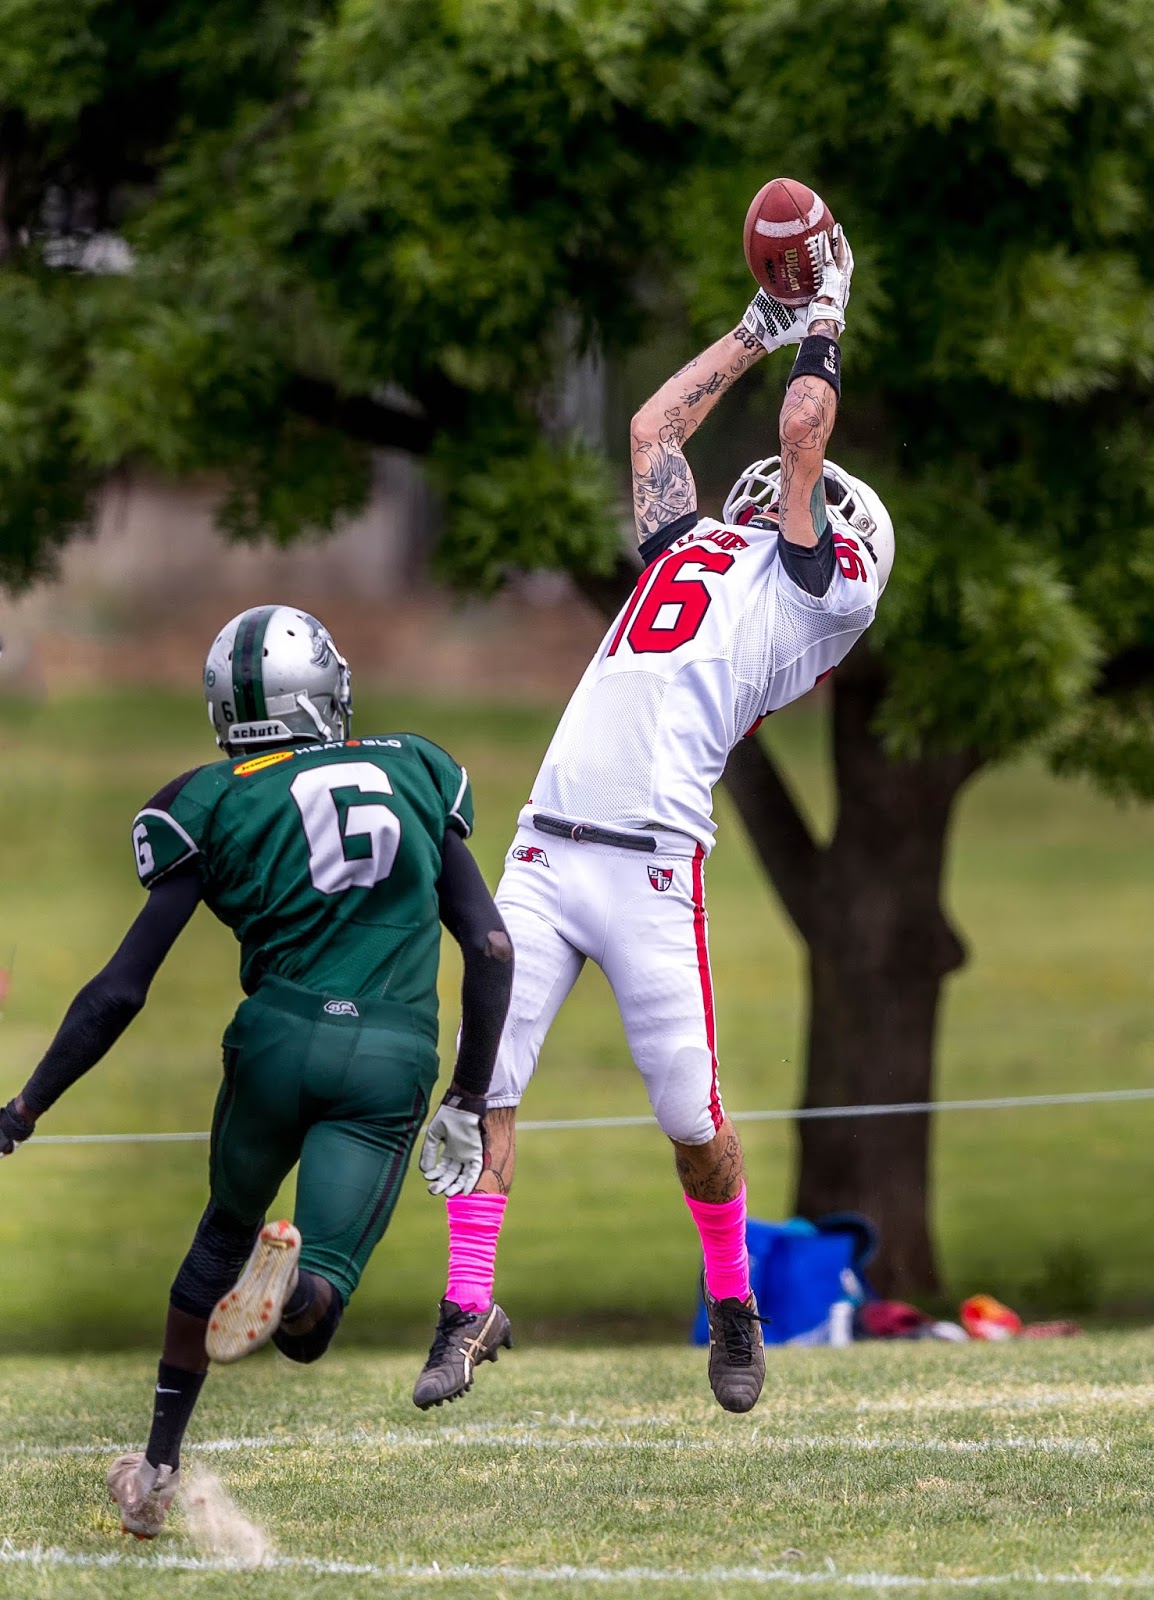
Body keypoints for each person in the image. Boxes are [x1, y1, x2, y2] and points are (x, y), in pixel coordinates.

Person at [413, 228, 894, 1415]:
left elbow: (794, 439)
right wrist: (756, 326)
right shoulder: (693, 549)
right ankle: (467, 1309)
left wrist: (825, 311)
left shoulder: (802, 597)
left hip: (649, 871)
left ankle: (733, 1302)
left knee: (691, 1118)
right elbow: (649, 432)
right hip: (545, 839)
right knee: (480, 1088)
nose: (800, 497)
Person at [0, 606, 513, 1537]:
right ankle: (294, 1290)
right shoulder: (414, 768)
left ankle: (156, 1471)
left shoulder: (211, 796)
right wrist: (471, 1098)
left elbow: (121, 989)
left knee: (216, 1241)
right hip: (389, 1057)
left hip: (276, 1042)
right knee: (313, 1323)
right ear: (320, 690)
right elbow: (488, 942)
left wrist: (25, 1106)